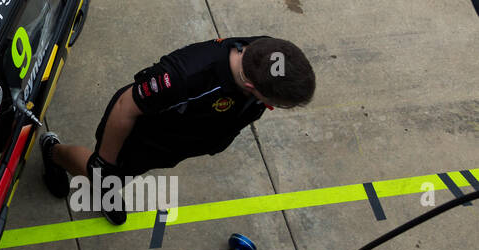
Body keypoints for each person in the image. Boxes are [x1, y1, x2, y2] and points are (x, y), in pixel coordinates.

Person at [41, 36, 315, 224]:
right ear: (253, 89)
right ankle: (53, 152)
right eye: (275, 104)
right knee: (101, 174)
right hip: (142, 135)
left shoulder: (266, 55)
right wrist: (105, 166)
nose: (275, 108)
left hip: (172, 142)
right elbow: (126, 106)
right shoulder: (185, 77)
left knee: (125, 173)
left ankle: (110, 181)